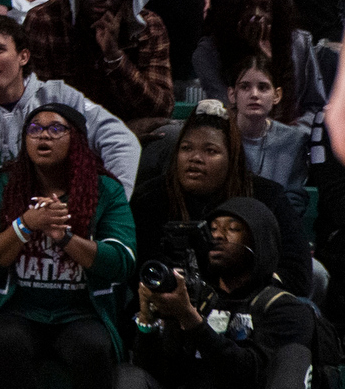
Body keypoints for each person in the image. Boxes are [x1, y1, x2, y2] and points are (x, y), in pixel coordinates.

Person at [78, 197, 316, 389]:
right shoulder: (197, 300)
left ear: (260, 240)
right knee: (131, 374)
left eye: (233, 229)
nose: (217, 235)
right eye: (213, 228)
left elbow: (247, 375)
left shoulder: (287, 309)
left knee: (295, 355)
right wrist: (148, 319)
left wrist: (191, 320)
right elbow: (164, 374)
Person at [0, 103, 137, 389]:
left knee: (93, 346)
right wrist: (24, 226)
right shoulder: (3, 187)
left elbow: (121, 260)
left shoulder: (104, 189)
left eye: (55, 129)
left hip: (79, 313)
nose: (43, 136)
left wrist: (64, 238)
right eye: (34, 129)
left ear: (76, 140)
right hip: (19, 309)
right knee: (5, 341)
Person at [0, 14, 143, 216]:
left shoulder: (59, 96)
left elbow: (122, 142)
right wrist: (34, 218)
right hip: (3, 229)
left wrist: (109, 207)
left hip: (67, 216)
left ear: (23, 56)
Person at [134, 102, 315, 299]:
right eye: (186, 148)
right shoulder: (150, 199)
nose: (195, 158)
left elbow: (298, 274)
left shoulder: (266, 197)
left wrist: (242, 280)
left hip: (250, 310)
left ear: (232, 158)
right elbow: (137, 271)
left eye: (210, 151)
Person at [21, 0, 174, 133]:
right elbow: (41, 104)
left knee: (169, 135)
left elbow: (162, 108)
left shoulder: (149, 27)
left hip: (133, 134)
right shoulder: (45, 20)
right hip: (67, 135)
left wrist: (115, 57)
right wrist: (112, 133)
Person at [194, 0, 328, 127]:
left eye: (265, 8)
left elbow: (316, 107)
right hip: (237, 137)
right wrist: (255, 57)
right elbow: (227, 111)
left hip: (293, 136)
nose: (256, 14)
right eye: (247, 6)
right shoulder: (209, 51)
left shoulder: (299, 44)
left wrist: (293, 132)